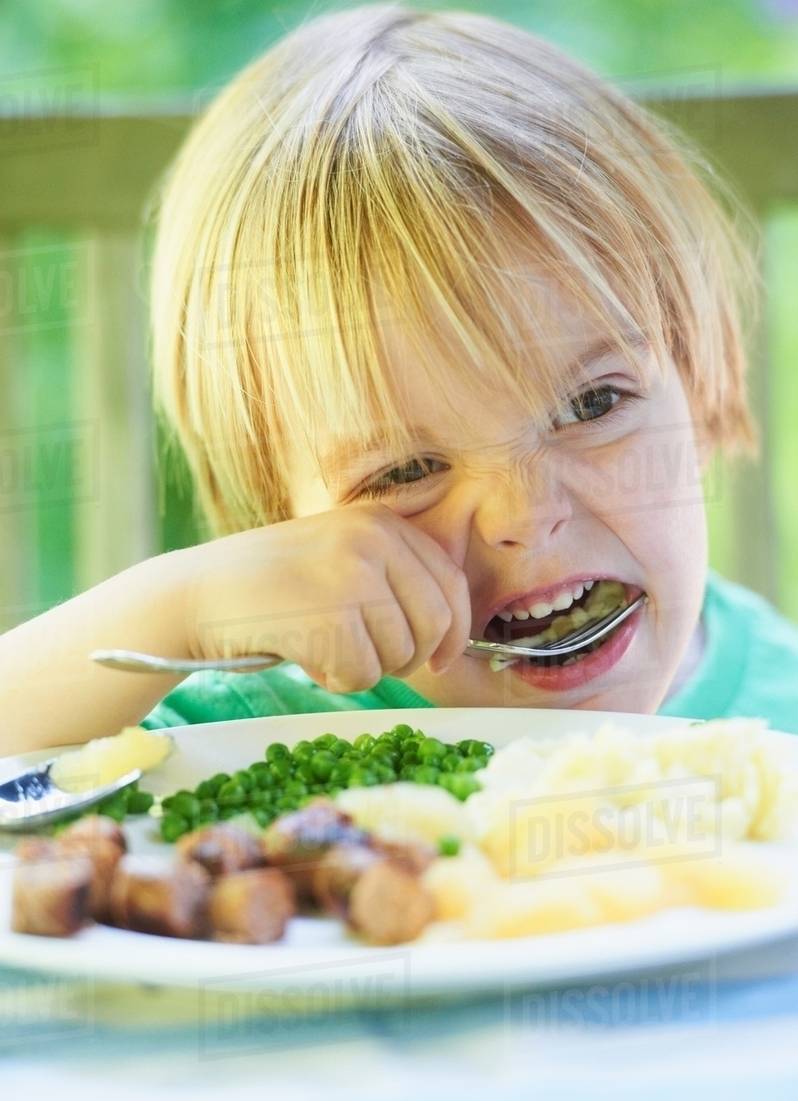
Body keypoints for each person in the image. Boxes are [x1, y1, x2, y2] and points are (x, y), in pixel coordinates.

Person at [3, 2, 798, 756]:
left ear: (698, 383)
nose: (525, 516)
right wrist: (180, 610)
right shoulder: (252, 727)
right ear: (281, 521)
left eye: (594, 403)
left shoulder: (782, 704)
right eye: (407, 472)